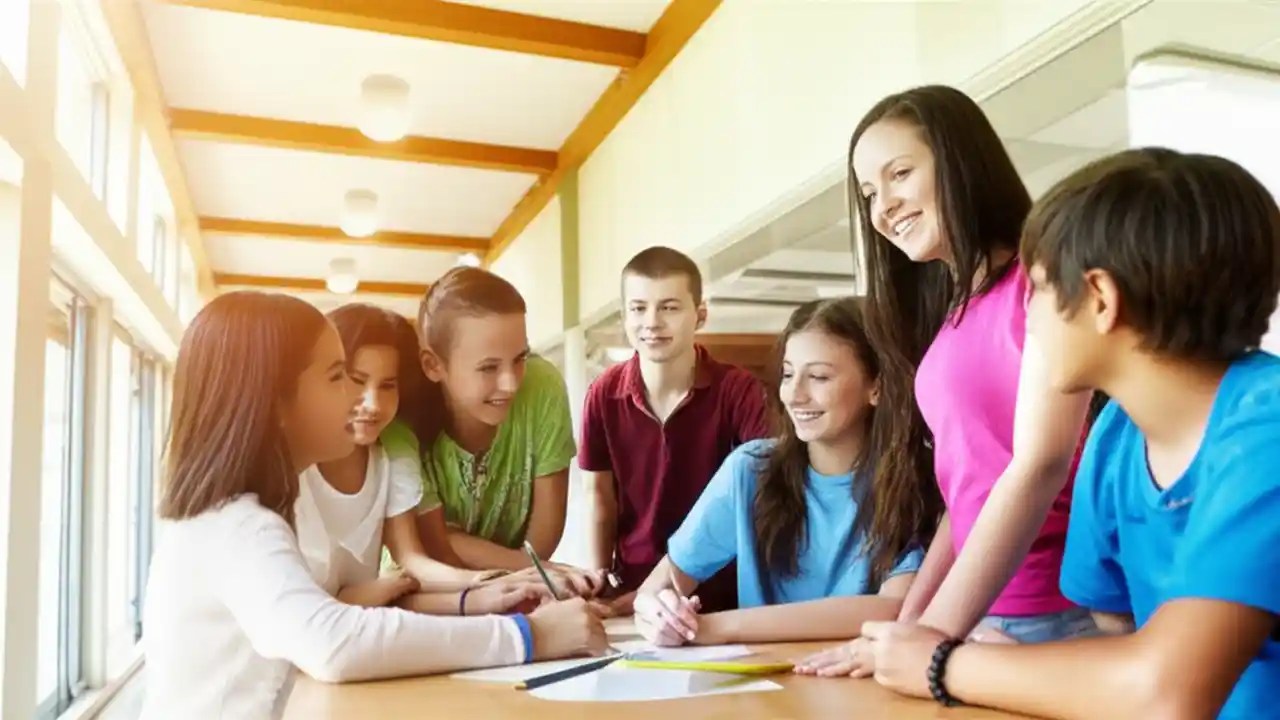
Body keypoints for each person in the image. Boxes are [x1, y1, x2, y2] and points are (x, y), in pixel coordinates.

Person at [862, 148, 1280, 718]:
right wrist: (1020, 669)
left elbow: (1168, 691)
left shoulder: (1266, 427)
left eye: (1037, 290)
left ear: (1101, 300)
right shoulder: (1113, 439)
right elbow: (1117, 631)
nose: (1027, 315)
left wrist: (945, 665)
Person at [140, 292, 607, 719]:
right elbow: (333, 641)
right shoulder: (238, 527)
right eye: (337, 377)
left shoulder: (252, 515)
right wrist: (531, 637)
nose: (357, 398)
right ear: (275, 403)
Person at [802, 85, 1096, 676]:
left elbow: (1039, 466)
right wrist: (906, 631)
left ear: (959, 162)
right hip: (982, 618)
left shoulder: (1039, 284)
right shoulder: (950, 322)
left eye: (900, 173)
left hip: (1058, 616)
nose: (882, 205)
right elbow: (965, 506)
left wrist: (933, 636)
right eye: (867, 193)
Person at [632, 297, 934, 646]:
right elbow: (657, 588)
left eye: (818, 377)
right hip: (763, 686)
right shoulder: (750, 470)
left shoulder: (912, 480)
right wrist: (660, 615)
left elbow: (893, 609)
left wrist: (713, 628)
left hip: (863, 687)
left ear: (876, 387)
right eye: (788, 374)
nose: (795, 394)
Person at [297, 303, 546, 612]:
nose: (373, 403)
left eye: (388, 385)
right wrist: (370, 592)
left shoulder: (394, 453)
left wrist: (493, 580)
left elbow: (413, 562)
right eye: (356, 381)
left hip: (354, 628)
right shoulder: (294, 465)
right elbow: (300, 607)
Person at [580, 246, 769, 615]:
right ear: (624, 316)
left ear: (700, 316)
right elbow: (600, 498)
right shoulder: (602, 393)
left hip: (724, 595)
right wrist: (597, 577)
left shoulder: (739, 391)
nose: (651, 322)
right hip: (630, 596)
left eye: (669, 307)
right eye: (638, 308)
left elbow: (763, 494)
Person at [391, 267, 601, 592]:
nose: (511, 383)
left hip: (520, 582)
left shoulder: (542, 385)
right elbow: (437, 544)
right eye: (488, 367)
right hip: (422, 592)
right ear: (433, 365)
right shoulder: (403, 415)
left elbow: (540, 541)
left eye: (520, 358)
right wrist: (543, 574)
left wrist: (536, 577)